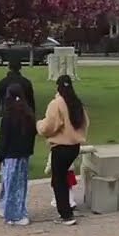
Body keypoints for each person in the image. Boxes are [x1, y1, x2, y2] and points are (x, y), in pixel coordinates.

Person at [37, 74, 89, 226]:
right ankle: (68, 208)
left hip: (60, 147)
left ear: (57, 87)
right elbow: (85, 122)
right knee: (63, 178)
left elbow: (48, 127)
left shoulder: (57, 104)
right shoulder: (77, 103)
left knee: (58, 180)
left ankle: (66, 214)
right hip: (74, 147)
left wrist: (39, 125)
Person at [0, 83, 34, 226]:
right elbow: (31, 135)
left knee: (9, 184)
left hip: (10, 155)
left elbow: (4, 138)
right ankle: (11, 209)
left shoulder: (7, 116)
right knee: (20, 185)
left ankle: (13, 215)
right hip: (23, 155)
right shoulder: (28, 114)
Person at [0, 59, 35, 131]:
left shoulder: (3, 82)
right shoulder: (26, 82)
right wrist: (32, 117)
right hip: (23, 116)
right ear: (20, 68)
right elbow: (31, 102)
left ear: (8, 67)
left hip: (6, 116)